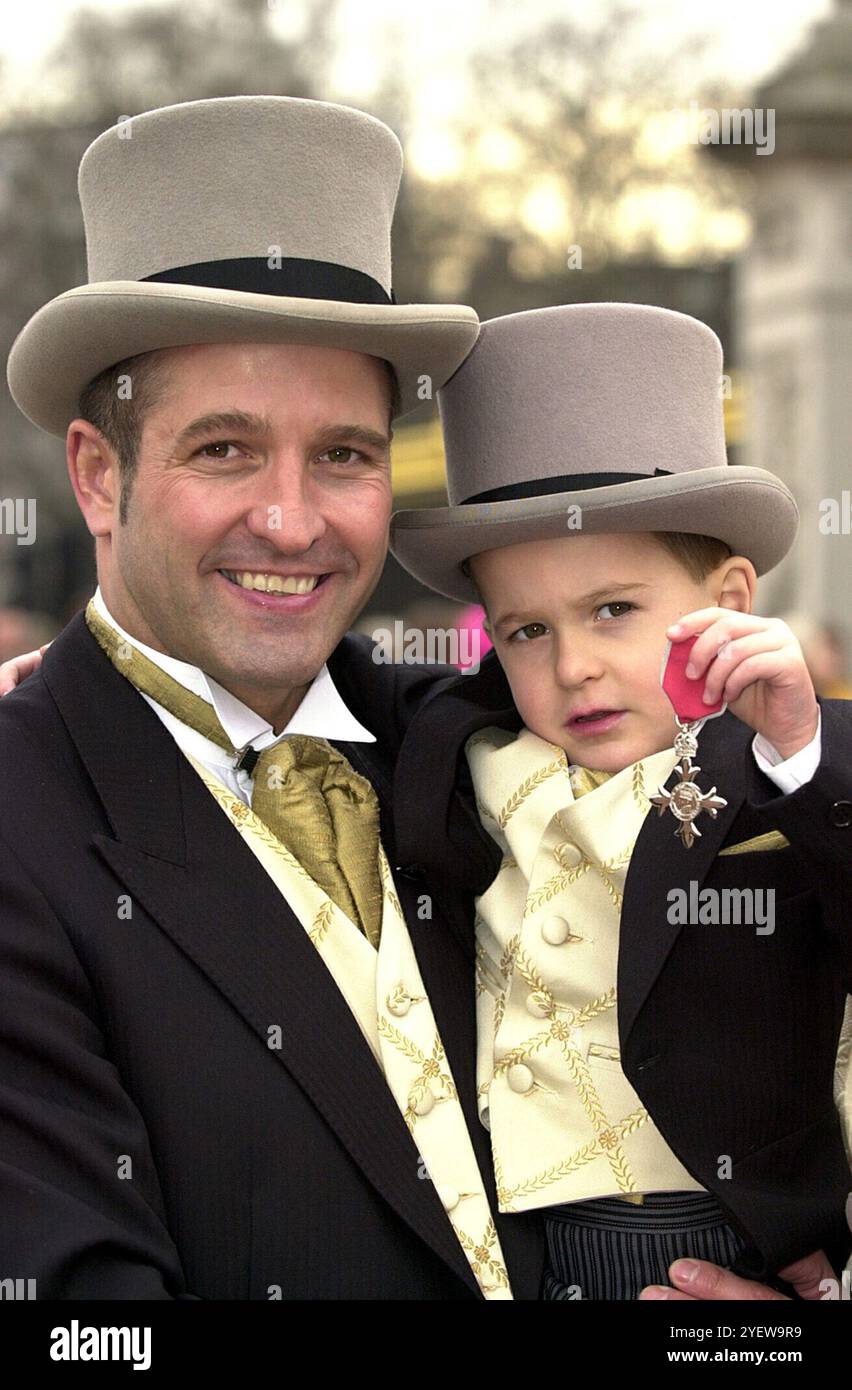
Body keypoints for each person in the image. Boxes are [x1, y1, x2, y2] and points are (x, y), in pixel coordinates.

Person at [0, 94, 546, 1299]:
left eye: (344, 454)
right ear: (99, 477)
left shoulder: (476, 745)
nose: (293, 522)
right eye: (225, 449)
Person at [388, 303, 852, 1300]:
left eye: (613, 610)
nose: (574, 666)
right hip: (514, 1253)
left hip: (722, 1250)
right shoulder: (456, 756)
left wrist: (808, 747)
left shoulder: (786, 773)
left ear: (729, 603)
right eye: (524, 630)